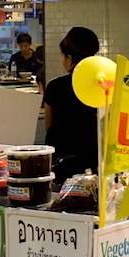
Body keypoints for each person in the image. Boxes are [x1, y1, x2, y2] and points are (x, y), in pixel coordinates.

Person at [44, 27, 101, 182]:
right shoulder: (103, 85)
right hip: (94, 159)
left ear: (69, 58)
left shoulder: (55, 86)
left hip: (60, 159)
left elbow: (48, 125)